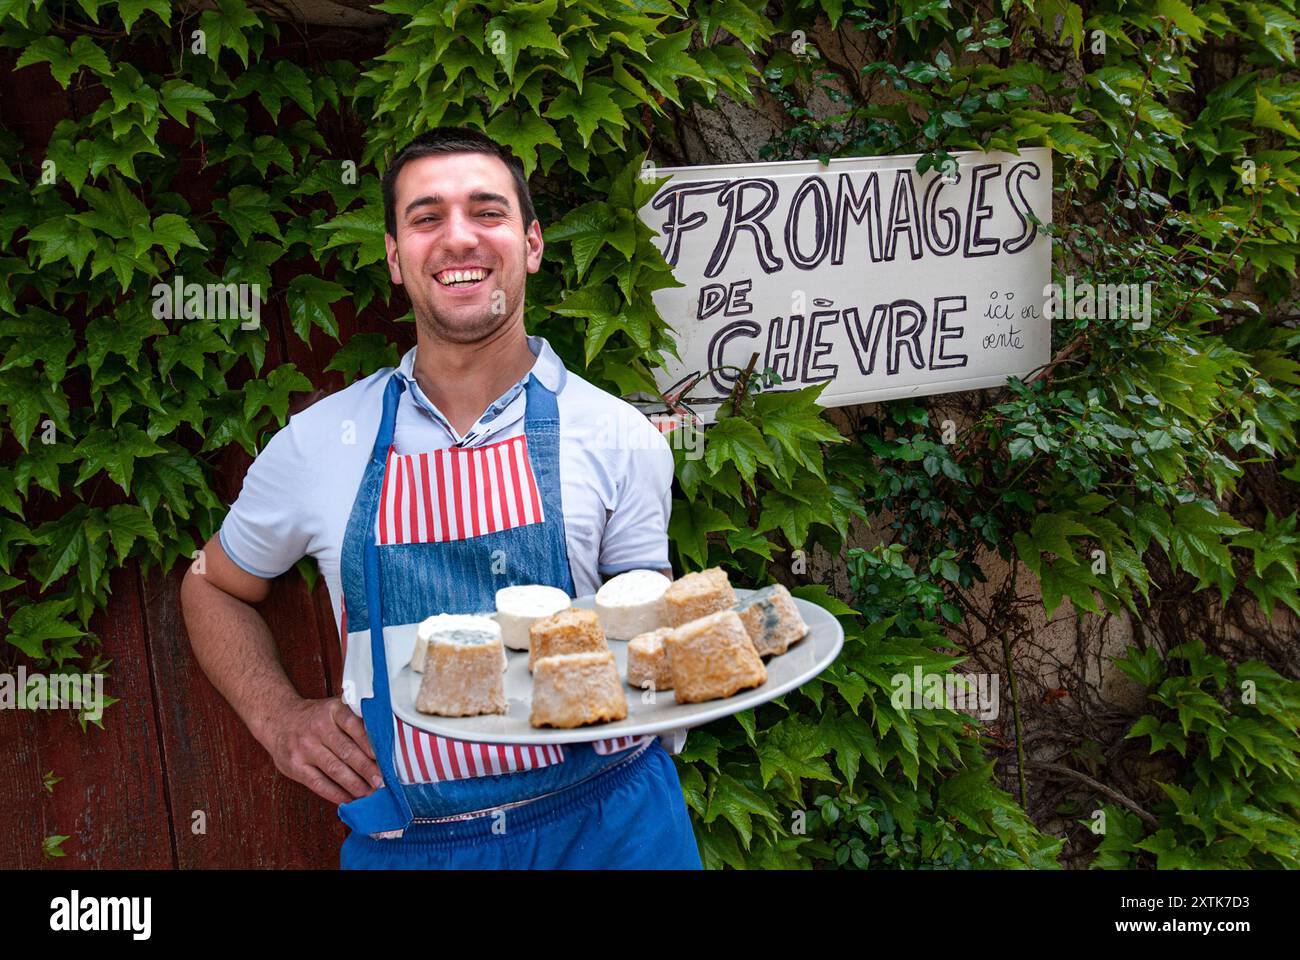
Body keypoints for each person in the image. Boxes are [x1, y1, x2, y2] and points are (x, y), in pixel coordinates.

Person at [181, 127, 702, 869]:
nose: (458, 238)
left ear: (532, 244)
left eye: (486, 212)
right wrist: (277, 715)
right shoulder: (319, 442)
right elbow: (210, 588)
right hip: (417, 849)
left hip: (616, 828)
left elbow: (642, 622)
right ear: (396, 257)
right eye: (426, 218)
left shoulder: (619, 435)